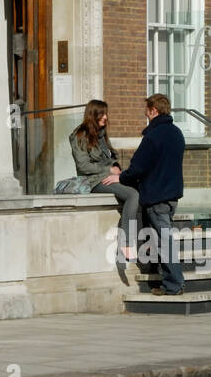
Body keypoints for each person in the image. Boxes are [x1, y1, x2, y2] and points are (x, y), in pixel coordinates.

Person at [119, 94, 186, 295]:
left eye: (147, 110)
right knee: (162, 238)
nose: (145, 114)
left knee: (165, 240)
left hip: (157, 196)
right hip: (172, 196)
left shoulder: (153, 136)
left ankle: (174, 283)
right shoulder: (177, 133)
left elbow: (138, 167)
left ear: (154, 111)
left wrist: (122, 177)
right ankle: (167, 277)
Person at [69, 100, 141, 262]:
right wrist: (108, 170)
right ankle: (126, 242)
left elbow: (109, 159)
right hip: (93, 181)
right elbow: (83, 166)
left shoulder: (101, 135)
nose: (106, 118)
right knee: (132, 194)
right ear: (93, 115)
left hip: (109, 178)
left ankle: (146, 240)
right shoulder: (79, 136)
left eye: (106, 114)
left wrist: (117, 170)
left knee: (142, 188)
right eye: (102, 114)